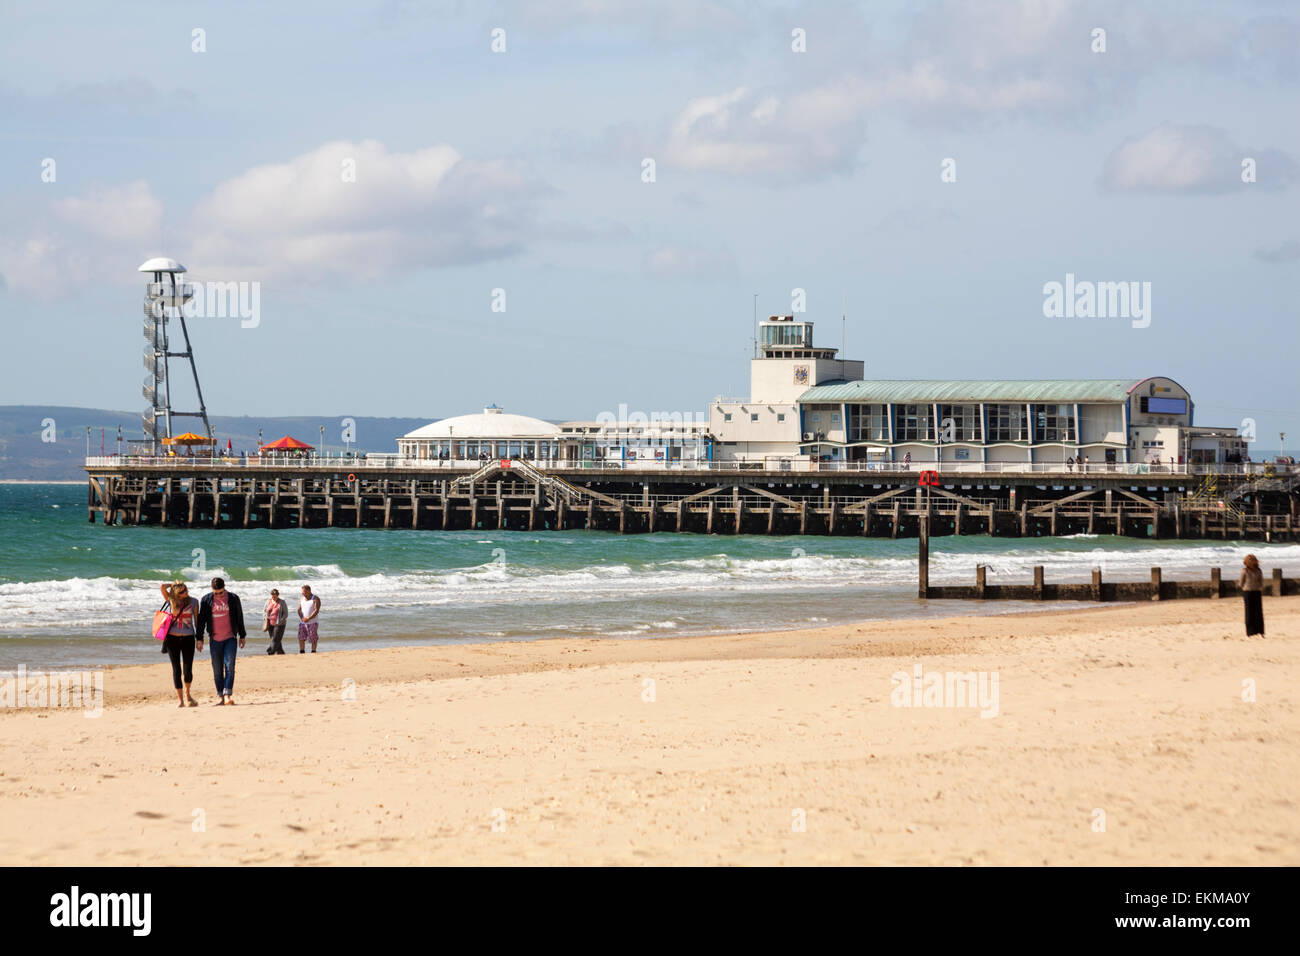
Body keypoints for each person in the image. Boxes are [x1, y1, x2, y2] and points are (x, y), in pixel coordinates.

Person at [198, 577, 246, 704]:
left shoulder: (233, 598)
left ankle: (227, 695)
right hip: (214, 639)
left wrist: (242, 635)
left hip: (230, 637)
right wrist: (199, 639)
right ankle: (220, 696)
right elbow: (201, 621)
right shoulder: (206, 600)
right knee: (217, 669)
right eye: (216, 593)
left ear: (225, 587)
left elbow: (239, 617)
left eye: (221, 592)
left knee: (230, 665)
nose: (218, 595)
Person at [159, 581, 200, 708]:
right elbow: (162, 587)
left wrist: (199, 639)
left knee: (188, 670)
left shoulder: (194, 602)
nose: (185, 592)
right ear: (176, 593)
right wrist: (173, 584)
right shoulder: (171, 600)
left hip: (188, 638)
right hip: (172, 639)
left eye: (186, 589)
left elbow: (197, 622)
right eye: (181, 591)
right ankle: (180, 700)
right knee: (176, 670)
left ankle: (188, 693)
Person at [1239, 554, 1265, 638]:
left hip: (1257, 592)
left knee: (1258, 612)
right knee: (1249, 612)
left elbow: (1261, 581)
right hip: (1248, 592)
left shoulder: (1258, 570)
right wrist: (1245, 588)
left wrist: (1259, 587)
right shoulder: (1245, 571)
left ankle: (1260, 631)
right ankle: (1250, 632)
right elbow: (1241, 583)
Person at [263, 588, 289, 655]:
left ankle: (270, 652)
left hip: (279, 624)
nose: (273, 597)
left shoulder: (282, 602)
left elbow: (285, 614)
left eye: (275, 596)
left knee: (275, 639)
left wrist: (280, 621)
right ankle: (281, 653)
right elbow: (264, 611)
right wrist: (265, 619)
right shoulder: (268, 602)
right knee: (275, 639)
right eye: (272, 596)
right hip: (270, 624)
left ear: (278, 595)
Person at [298, 585, 322, 653]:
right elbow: (299, 609)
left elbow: (316, 610)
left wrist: (308, 618)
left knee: (313, 638)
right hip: (302, 622)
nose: (303, 594)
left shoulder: (315, 599)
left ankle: (313, 651)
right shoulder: (302, 598)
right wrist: (302, 618)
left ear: (309, 591)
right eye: (302, 592)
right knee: (301, 637)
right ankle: (302, 651)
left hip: (312, 622)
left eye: (304, 592)